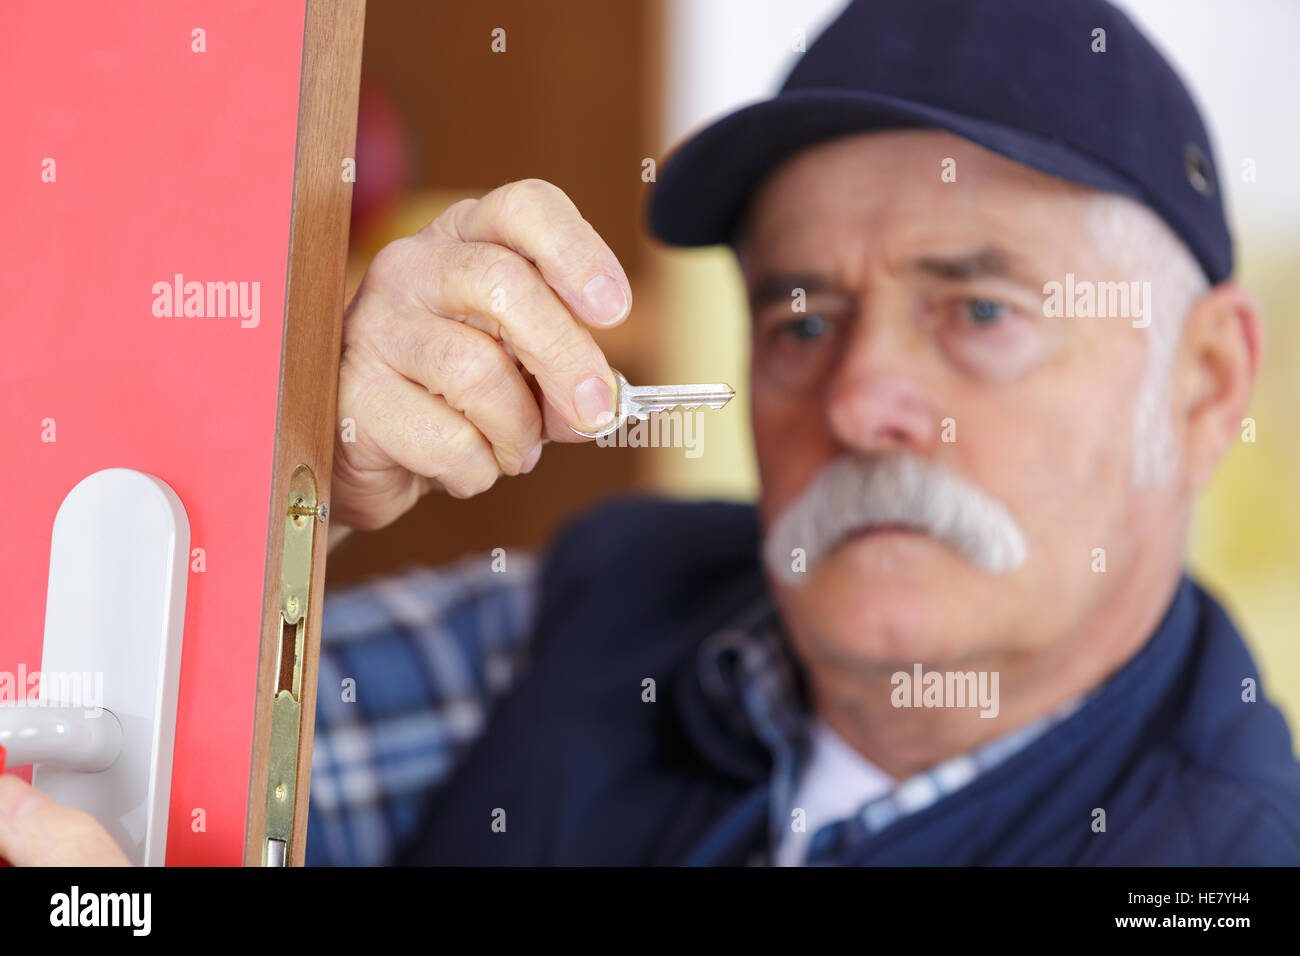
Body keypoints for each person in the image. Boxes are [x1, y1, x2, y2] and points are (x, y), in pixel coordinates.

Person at [3, 0, 1297, 866]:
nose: (856, 400)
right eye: (800, 316)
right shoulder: (614, 605)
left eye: (979, 308)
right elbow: (89, 762)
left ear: (1203, 385)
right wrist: (291, 496)